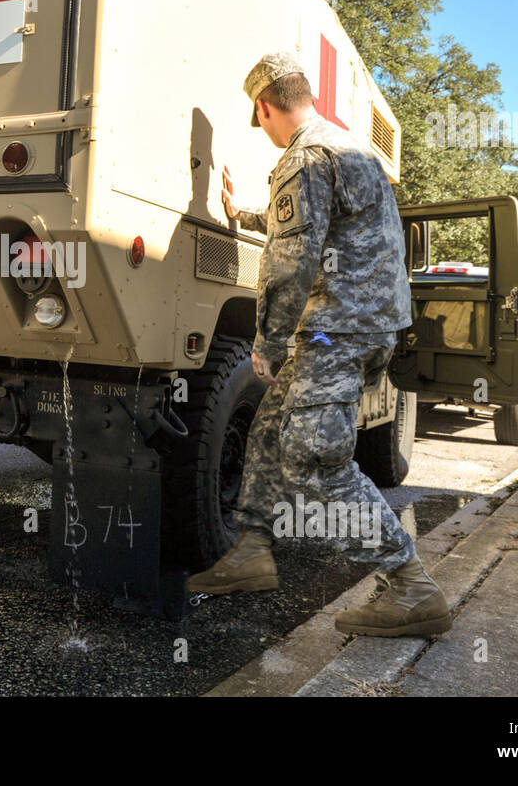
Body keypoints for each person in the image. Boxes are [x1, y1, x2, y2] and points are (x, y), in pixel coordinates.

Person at [186, 52, 452, 637]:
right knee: (267, 429)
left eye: (263, 123)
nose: (267, 133)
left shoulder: (303, 156)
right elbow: (318, 225)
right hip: (369, 325)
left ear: (265, 106)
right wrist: (245, 213)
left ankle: (410, 585)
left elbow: (292, 259)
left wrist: (269, 341)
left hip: (336, 330)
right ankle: (251, 551)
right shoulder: (350, 147)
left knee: (313, 458)